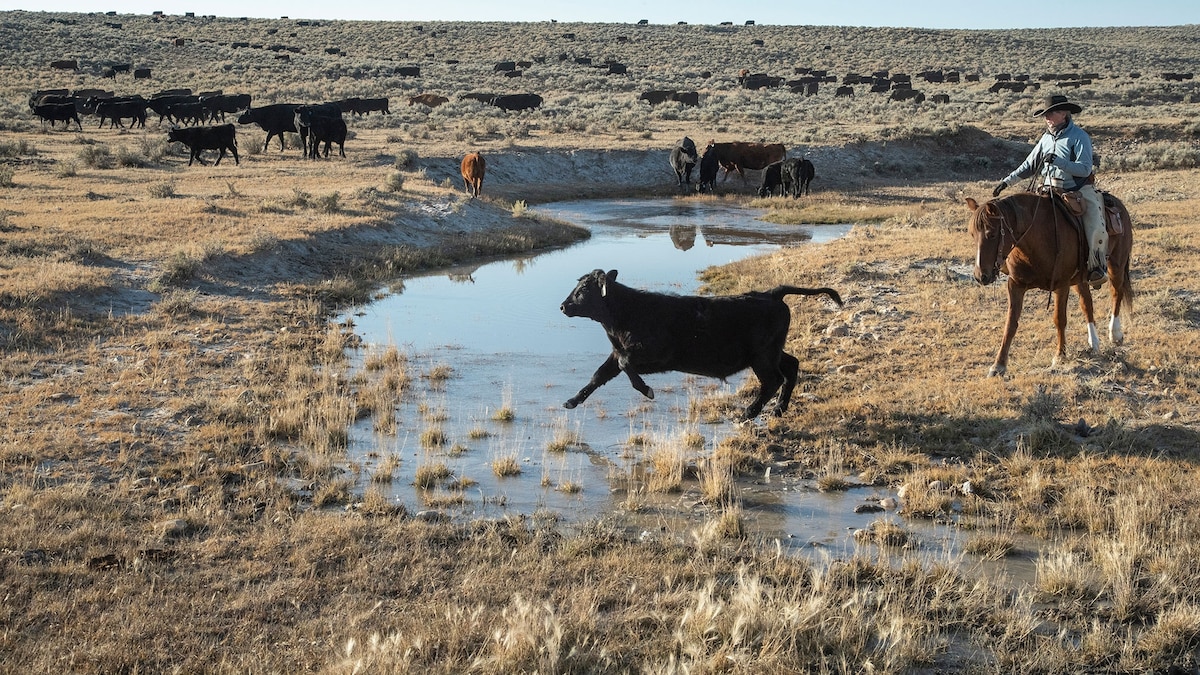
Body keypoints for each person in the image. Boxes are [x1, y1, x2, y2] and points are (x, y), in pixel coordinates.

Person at [992, 94, 1107, 284]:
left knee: (1094, 221)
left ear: (1064, 114)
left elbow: (1085, 169)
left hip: (1077, 190)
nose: (1047, 118)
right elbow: (1028, 165)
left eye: (1051, 113)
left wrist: (1058, 161)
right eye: (1045, 114)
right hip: (1048, 189)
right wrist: (1006, 182)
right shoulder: (1045, 138)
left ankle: (1096, 266)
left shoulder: (1079, 137)